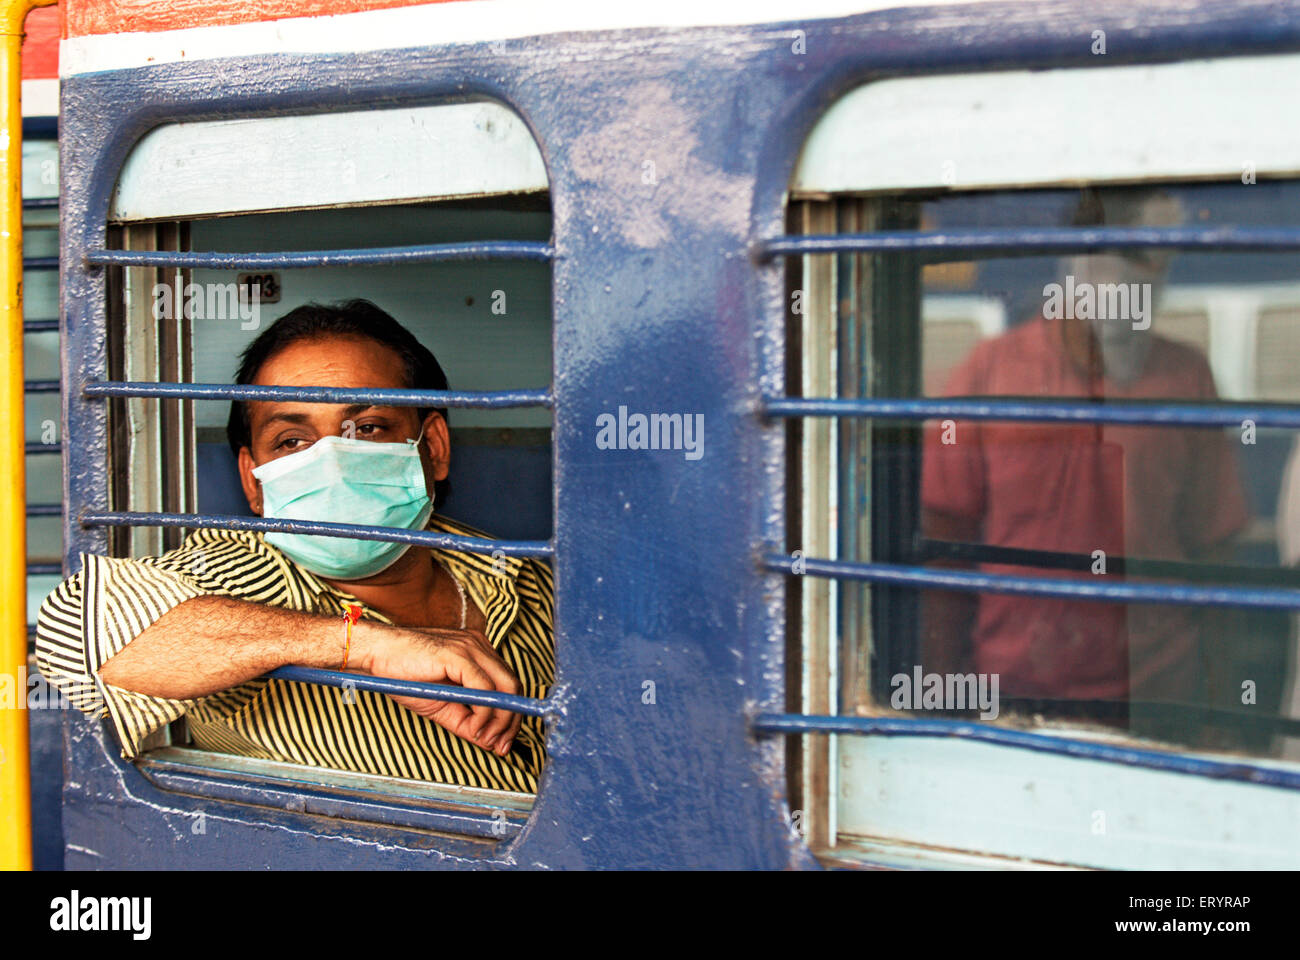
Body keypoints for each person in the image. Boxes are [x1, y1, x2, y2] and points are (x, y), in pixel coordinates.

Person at [36, 300, 553, 792]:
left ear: (433, 447)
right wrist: (366, 647)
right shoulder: (247, 578)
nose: (332, 461)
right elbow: (75, 634)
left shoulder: (519, 570)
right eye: (292, 441)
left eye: (367, 428)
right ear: (255, 482)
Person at [920, 188, 1249, 736]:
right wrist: (940, 704)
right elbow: (944, 544)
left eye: (1162, 261)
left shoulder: (1186, 378)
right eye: (1140, 256)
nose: (1150, 278)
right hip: (1018, 702)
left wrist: (1224, 720)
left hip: (1157, 705)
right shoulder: (989, 373)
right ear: (1084, 258)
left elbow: (1214, 551)